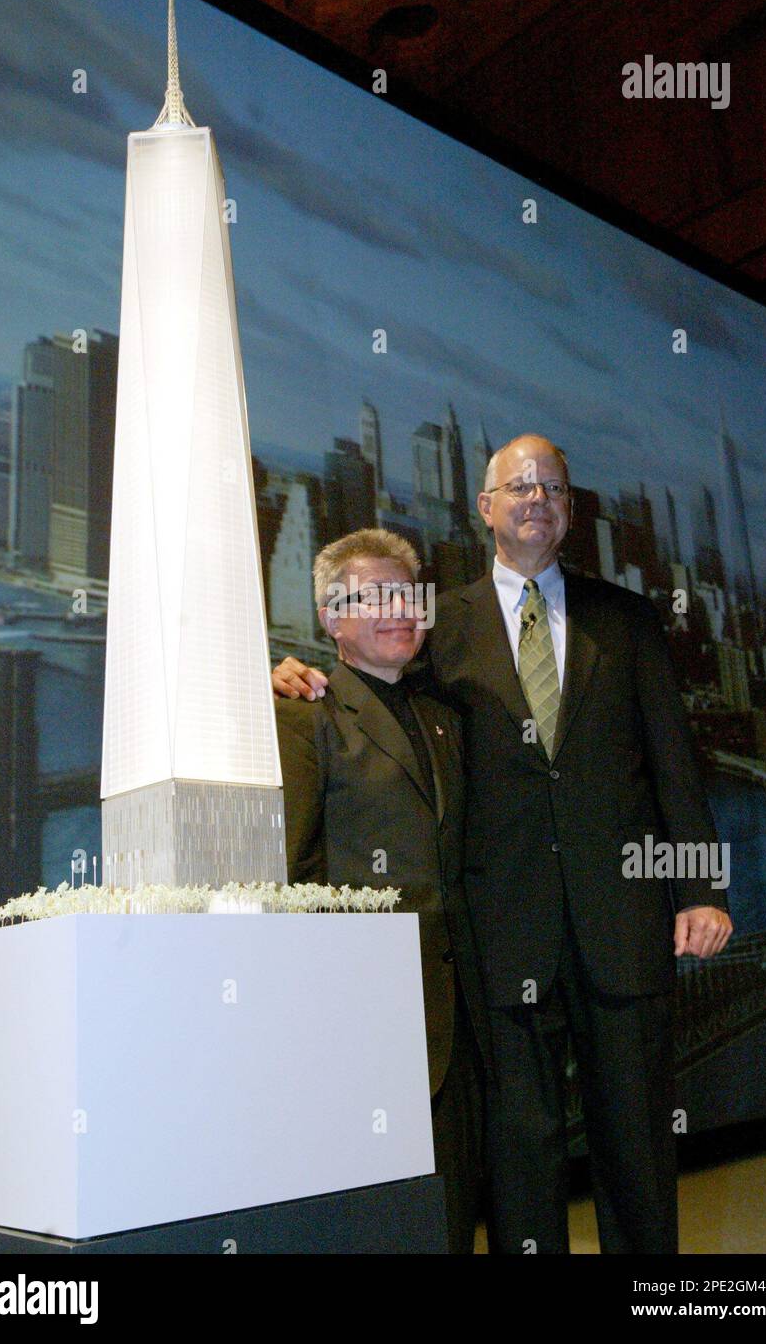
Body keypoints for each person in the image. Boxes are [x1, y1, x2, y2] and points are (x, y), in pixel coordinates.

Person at [273, 435, 733, 1255]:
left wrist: (699, 889)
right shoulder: (435, 624)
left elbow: (674, 764)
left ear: (569, 509)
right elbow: (368, 699)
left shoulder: (624, 620)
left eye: (551, 486)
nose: (535, 498)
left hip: (621, 930)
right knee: (519, 1155)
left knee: (636, 1147)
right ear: (483, 508)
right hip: (498, 936)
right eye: (516, 486)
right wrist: (293, 672)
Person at [274, 528, 491, 1254]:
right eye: (373, 597)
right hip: (360, 1024)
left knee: (451, 1219)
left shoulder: (444, 716)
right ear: (332, 619)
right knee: (378, 1228)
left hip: (458, 1023)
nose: (399, 609)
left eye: (407, 594)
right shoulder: (304, 713)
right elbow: (293, 874)